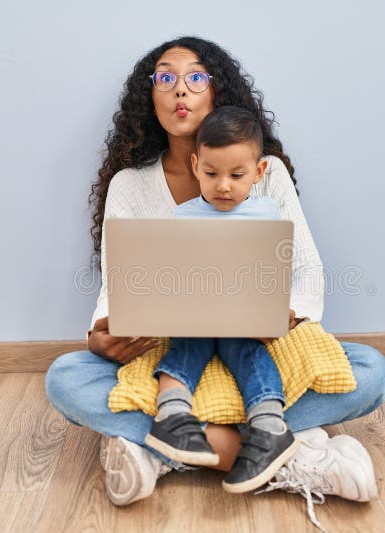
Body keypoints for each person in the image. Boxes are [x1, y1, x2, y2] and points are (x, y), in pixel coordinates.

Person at [45, 36, 385, 518]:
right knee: (65, 378)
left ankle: (166, 453)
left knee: (370, 371)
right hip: (171, 357)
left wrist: (284, 317)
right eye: (166, 78)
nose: (180, 90)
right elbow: (116, 286)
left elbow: (306, 273)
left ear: (216, 92)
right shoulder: (129, 184)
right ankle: (277, 454)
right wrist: (102, 334)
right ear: (151, 97)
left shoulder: (266, 175)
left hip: (258, 348)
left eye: (195, 78)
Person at [145, 105, 299, 494]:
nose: (223, 186)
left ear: (259, 173)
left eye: (237, 175)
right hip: (196, 316)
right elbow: (170, 275)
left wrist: (280, 310)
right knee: (187, 343)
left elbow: (281, 273)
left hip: (246, 321)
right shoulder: (183, 217)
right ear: (196, 165)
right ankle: (173, 419)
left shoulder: (268, 215)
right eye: (211, 174)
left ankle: (269, 427)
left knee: (246, 347)